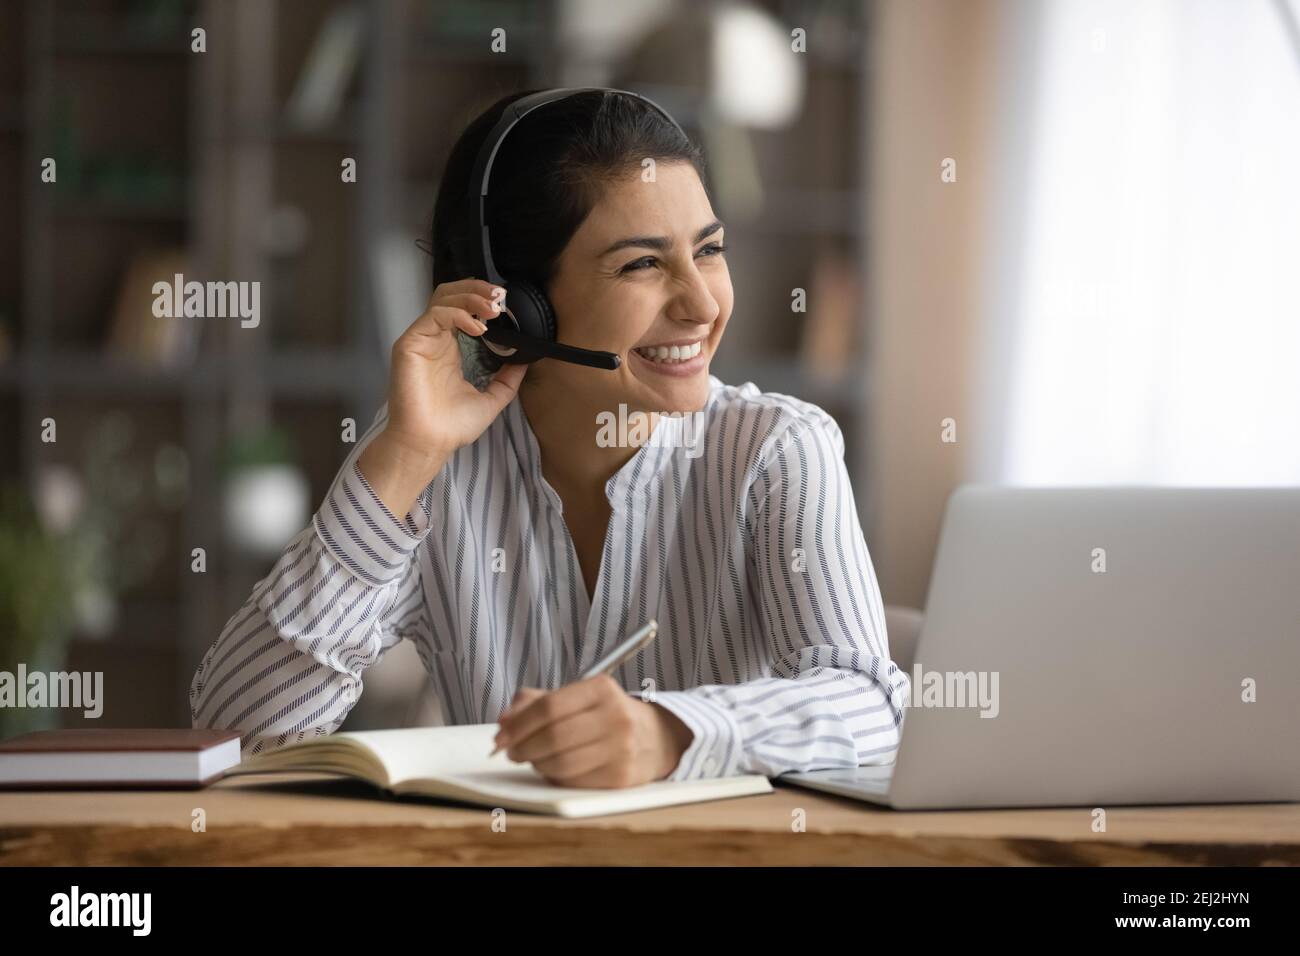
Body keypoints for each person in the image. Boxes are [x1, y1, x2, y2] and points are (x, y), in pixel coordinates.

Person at [189, 88, 910, 788]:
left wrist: (668, 734)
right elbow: (240, 733)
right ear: (517, 308)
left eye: (710, 250)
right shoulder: (430, 459)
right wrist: (402, 461)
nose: (701, 303)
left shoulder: (776, 451)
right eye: (642, 264)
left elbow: (871, 705)